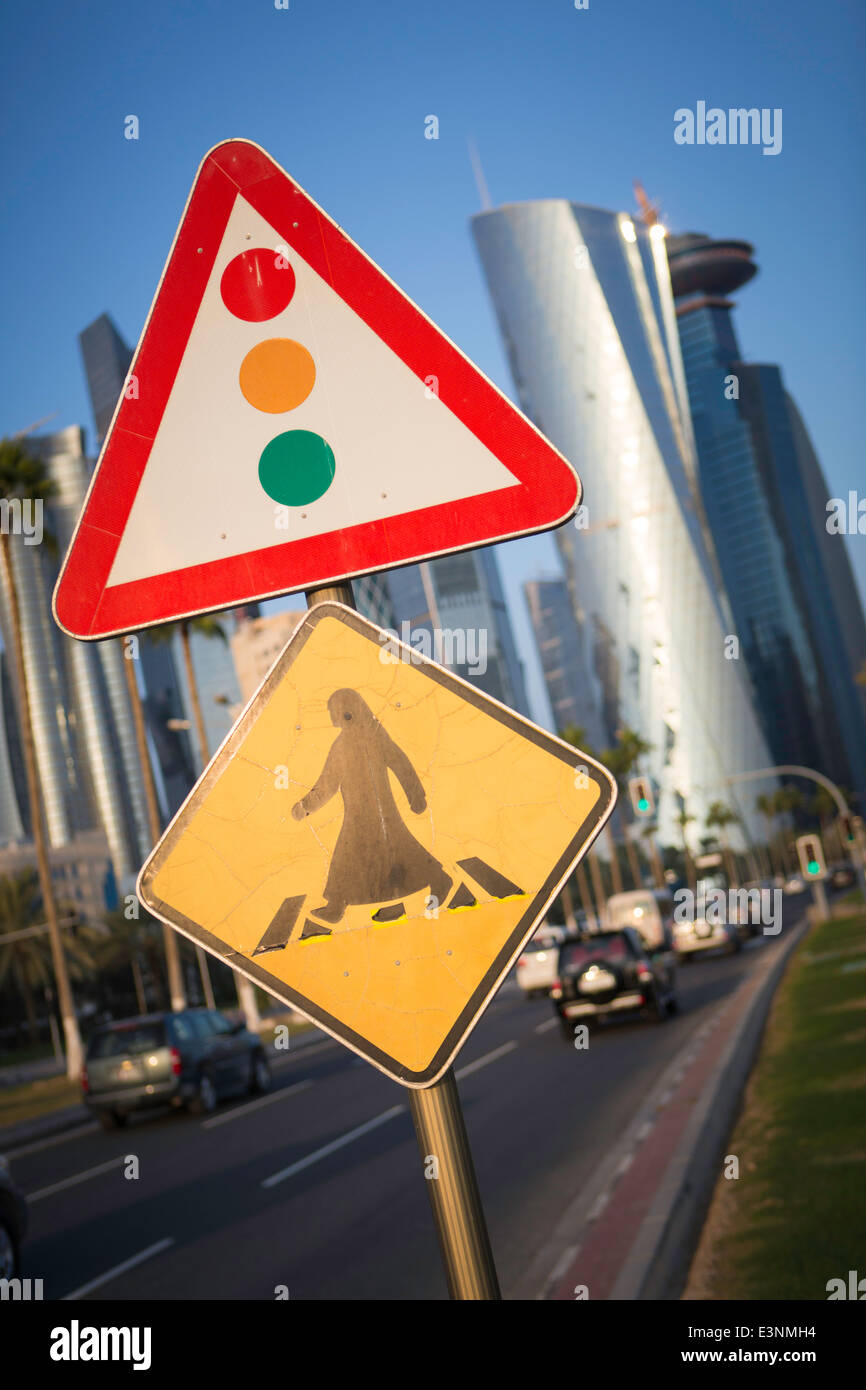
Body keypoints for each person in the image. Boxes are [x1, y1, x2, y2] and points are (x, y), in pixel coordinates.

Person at [292, 689, 452, 923]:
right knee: (390, 852)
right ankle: (338, 905)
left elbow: (400, 763)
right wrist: (305, 806)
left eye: (333, 711)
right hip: (360, 813)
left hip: (377, 813)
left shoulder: (370, 735)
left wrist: (416, 796)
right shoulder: (346, 743)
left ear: (346, 710)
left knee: (350, 857)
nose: (331, 716)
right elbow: (328, 784)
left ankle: (337, 905)